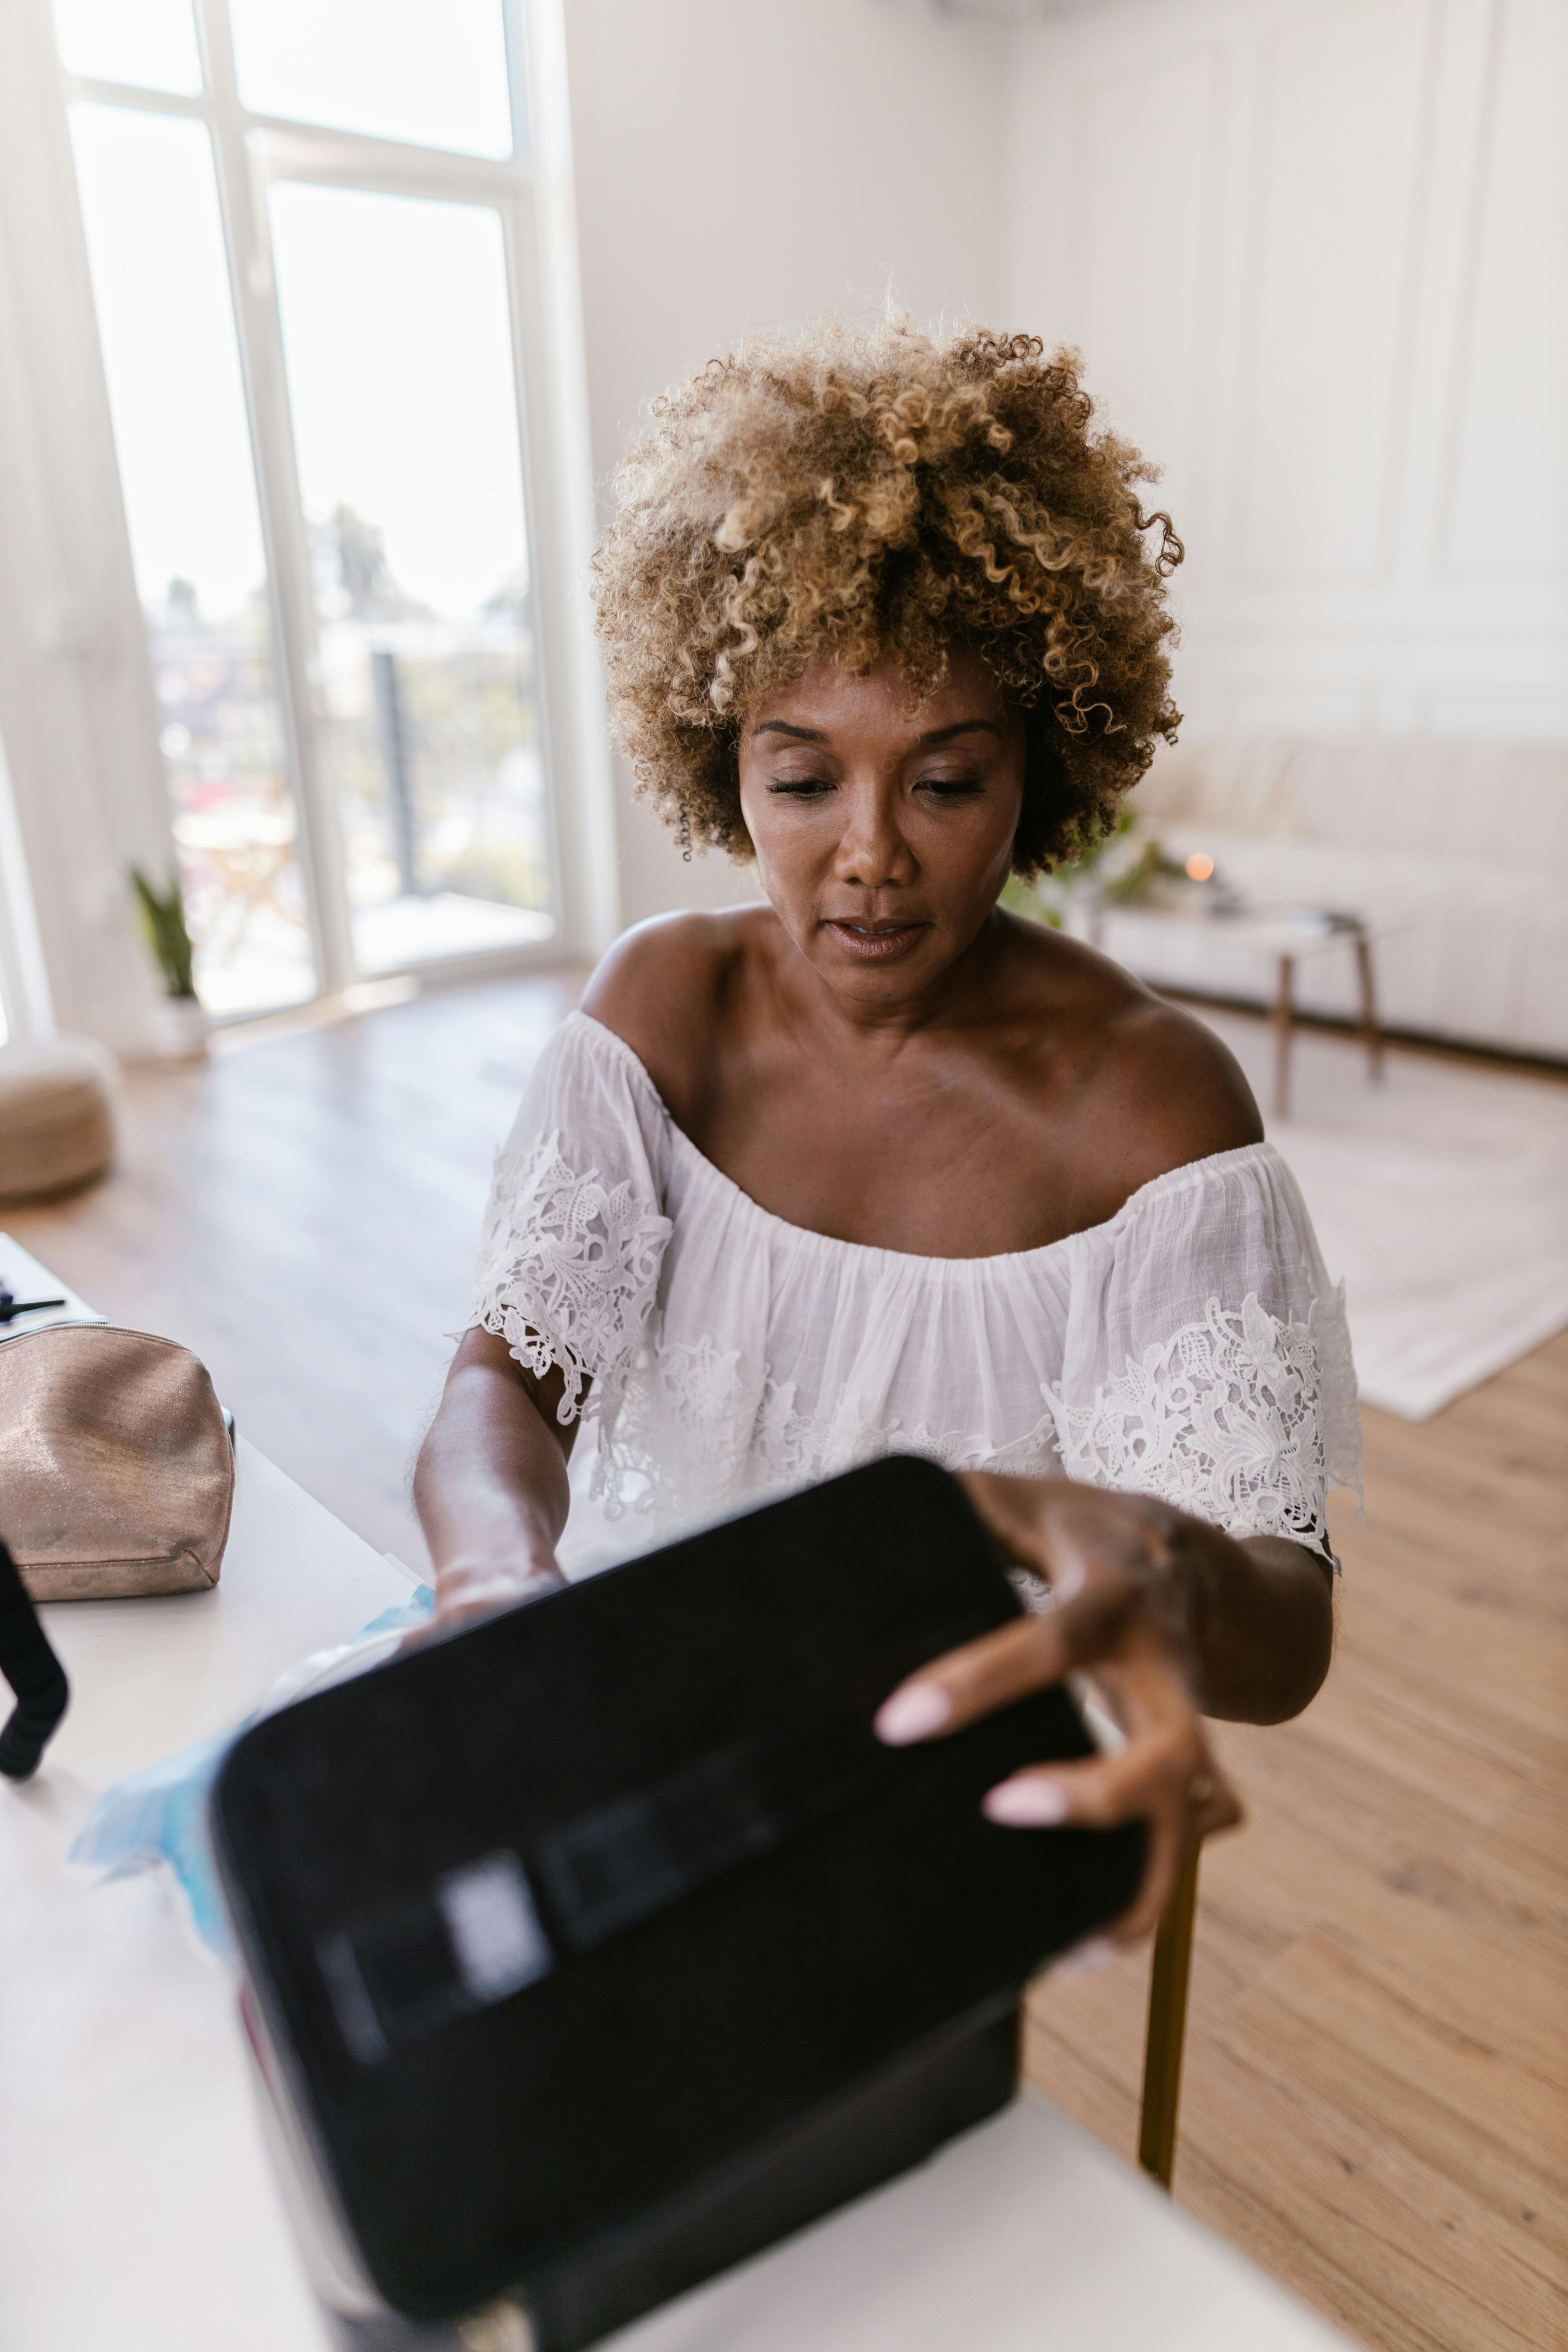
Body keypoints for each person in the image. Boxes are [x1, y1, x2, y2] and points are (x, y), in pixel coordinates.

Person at [414, 318, 1359, 1945]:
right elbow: (508, 1379)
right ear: (720, 763)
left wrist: (1169, 1568)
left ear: (1039, 770)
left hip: (954, 1792)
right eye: (803, 783)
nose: (869, 855)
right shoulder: (665, 1016)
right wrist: (496, 1586)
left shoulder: (1149, 1114)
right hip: (649, 1720)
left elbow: (1283, 1631)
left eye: (943, 782)